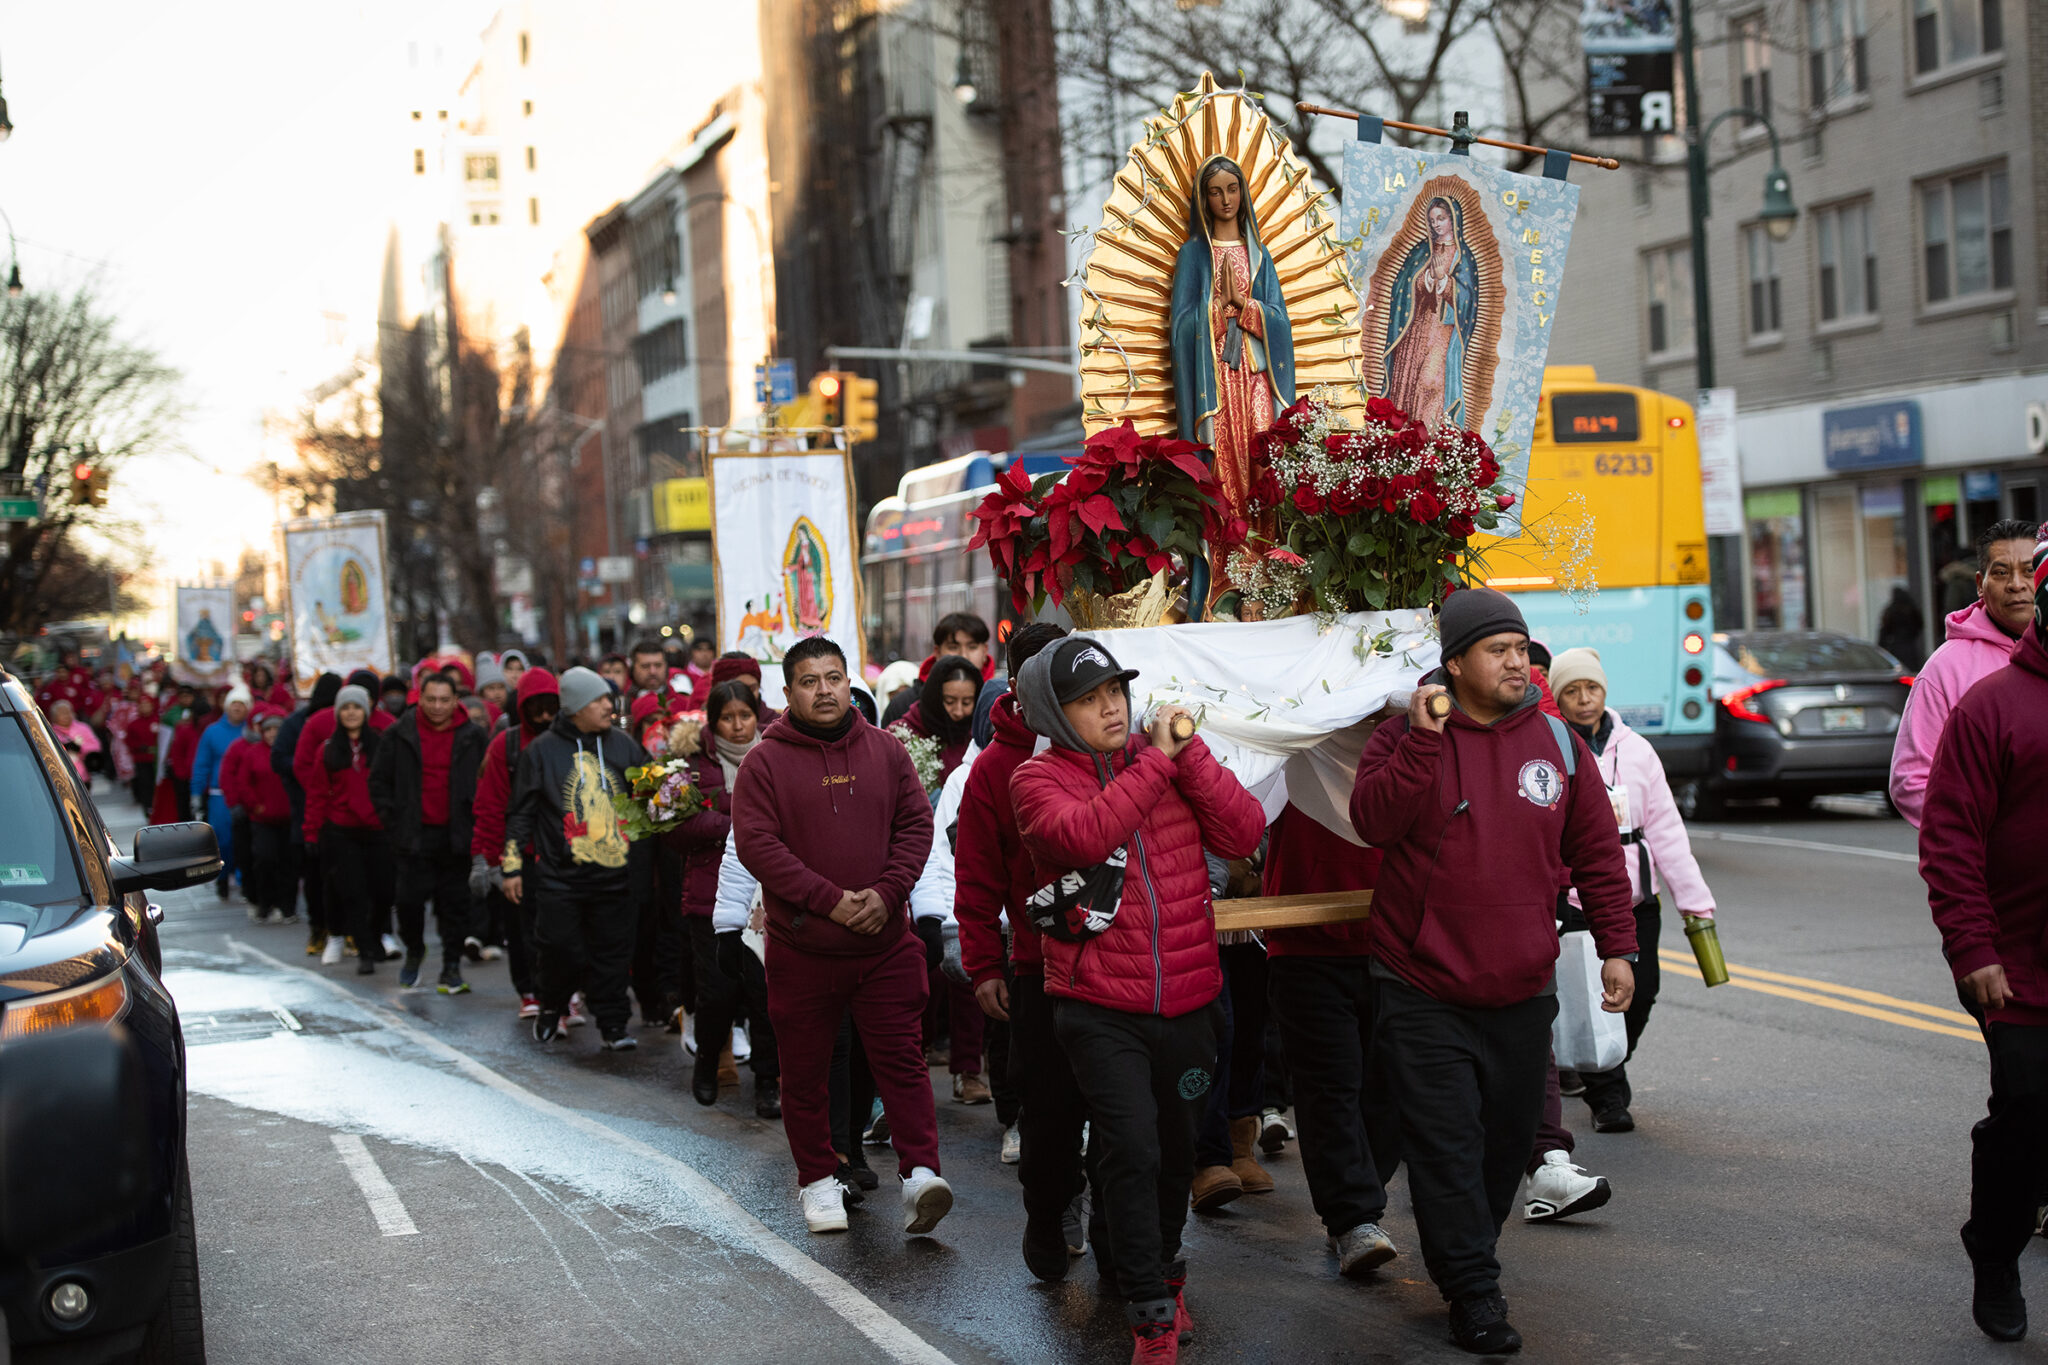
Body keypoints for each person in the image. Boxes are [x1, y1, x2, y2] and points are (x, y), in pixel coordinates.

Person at [1350, 587, 1636, 1355]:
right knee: (1445, 1145)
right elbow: (1372, 821)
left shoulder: (1557, 740)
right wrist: (1418, 740)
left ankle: (1464, 1250)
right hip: (1419, 985)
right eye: (1498, 651)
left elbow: (1599, 854)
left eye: (1521, 647)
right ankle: (1473, 1287)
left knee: (1508, 1143)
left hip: (1518, 987)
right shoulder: (1403, 737)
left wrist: (1618, 944)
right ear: (1455, 664)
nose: (1518, 663)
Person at [1011, 635, 1265, 1362]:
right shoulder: (1038, 778)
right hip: (1097, 1004)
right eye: (1089, 699)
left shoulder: (1165, 761)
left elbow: (1245, 831)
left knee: (1176, 1152)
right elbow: (1086, 835)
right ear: (1055, 715)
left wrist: (1192, 756)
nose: (1111, 707)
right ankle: (1150, 1316)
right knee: (1131, 1145)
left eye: (1115, 691)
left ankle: (1166, 1271)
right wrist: (1158, 761)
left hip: (1189, 996)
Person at [730, 637, 948, 1237]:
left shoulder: (886, 750)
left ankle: (921, 1174)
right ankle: (819, 1183)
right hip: (804, 948)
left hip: (884, 944)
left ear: (850, 682)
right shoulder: (763, 764)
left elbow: (914, 826)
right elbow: (758, 846)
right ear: (787, 692)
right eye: (809, 680)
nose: (824, 690)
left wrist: (886, 894)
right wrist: (829, 902)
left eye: (834, 677)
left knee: (902, 1062)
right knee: (805, 1072)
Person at [1919, 537, 2048, 1342]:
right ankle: (1995, 1251)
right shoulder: (1991, 704)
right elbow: (1950, 839)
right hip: (2021, 967)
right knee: (2031, 1115)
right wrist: (1975, 950)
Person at [1548, 647, 1716, 1133]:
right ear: (1558, 698)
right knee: (1594, 998)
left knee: (1643, 994)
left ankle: (1604, 1063)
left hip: (1639, 899)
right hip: (1581, 901)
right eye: (1572, 691)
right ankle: (1608, 1097)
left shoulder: (1638, 750)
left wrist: (1695, 903)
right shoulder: (1554, 750)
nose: (1584, 700)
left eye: (1592, 689)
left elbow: (1666, 829)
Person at [504, 667, 649, 1049]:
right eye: (600, 700)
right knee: (560, 950)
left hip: (616, 877)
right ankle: (552, 1005)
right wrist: (512, 865)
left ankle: (614, 1025)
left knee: (613, 955)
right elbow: (521, 813)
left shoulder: (623, 745)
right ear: (576, 707)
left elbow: (651, 791)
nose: (609, 705)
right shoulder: (541, 751)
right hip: (560, 878)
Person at [1891, 520, 2038, 827]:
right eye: (2000, 572)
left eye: (2028, 570)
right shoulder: (1945, 669)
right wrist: (1978, 836)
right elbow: (1911, 780)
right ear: (1979, 584)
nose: (2016, 584)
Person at [686, 681, 779, 1117]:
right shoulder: (693, 766)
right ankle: (707, 1061)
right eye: (728, 717)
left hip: (766, 896)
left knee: (764, 993)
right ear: (714, 721)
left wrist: (727, 817)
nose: (738, 725)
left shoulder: (775, 755)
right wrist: (737, 825)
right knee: (718, 991)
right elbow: (679, 827)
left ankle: (767, 1080)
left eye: (745, 715)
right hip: (710, 894)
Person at [370, 672, 487, 993]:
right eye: (431, 699)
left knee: (455, 904)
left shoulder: (474, 736)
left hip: (457, 832)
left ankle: (451, 966)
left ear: (456, 701)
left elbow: (487, 782)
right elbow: (379, 782)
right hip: (412, 833)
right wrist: (393, 822)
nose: (437, 707)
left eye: (444, 700)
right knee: (408, 902)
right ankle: (414, 951)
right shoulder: (398, 734)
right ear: (419, 699)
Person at [471, 666, 560, 1018]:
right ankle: (529, 990)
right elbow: (490, 807)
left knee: (562, 926)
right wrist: (493, 861)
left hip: (564, 848)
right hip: (519, 852)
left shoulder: (568, 740)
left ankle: (563, 990)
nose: (543, 717)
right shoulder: (504, 746)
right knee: (522, 926)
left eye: (549, 708)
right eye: (534, 709)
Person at [311, 685, 388, 975]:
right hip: (342, 830)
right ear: (338, 713)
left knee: (383, 889)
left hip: (378, 828)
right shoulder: (329, 750)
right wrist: (312, 831)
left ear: (366, 711)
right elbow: (317, 792)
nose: (352, 712)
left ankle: (378, 934)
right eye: (345, 708)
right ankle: (365, 950)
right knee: (353, 892)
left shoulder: (381, 744)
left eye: (357, 707)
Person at [277, 673, 342, 959]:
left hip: (342, 813)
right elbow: (280, 758)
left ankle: (343, 929)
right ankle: (319, 928)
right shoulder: (297, 724)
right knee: (315, 874)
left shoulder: (349, 720)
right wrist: (316, 772)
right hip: (307, 809)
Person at [224, 712, 296, 924]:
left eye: (277, 729)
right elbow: (243, 782)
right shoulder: (252, 753)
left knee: (289, 864)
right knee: (264, 860)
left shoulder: (290, 751)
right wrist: (255, 806)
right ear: (262, 732)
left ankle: (288, 906)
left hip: (288, 817)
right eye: (269, 729)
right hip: (262, 819)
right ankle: (266, 903)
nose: (273, 733)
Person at [193, 686, 254, 902]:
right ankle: (222, 877)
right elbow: (202, 763)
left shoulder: (252, 732)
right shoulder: (212, 731)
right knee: (223, 840)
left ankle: (243, 878)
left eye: (242, 704)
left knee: (245, 839)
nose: (237, 708)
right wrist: (196, 792)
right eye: (234, 704)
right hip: (219, 795)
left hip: (246, 794)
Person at [882, 613, 996, 726]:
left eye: (972, 647)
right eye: (953, 647)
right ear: (937, 652)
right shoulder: (904, 704)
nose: (963, 655)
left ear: (985, 651)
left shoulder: (999, 701)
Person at [898, 654, 981, 785]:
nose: (958, 711)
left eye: (966, 703)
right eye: (949, 701)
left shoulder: (978, 737)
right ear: (935, 697)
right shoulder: (902, 735)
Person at [45, 699, 102, 785]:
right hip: (62, 777)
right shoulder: (49, 733)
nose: (66, 715)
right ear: (53, 717)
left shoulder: (83, 727)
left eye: (68, 712)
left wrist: (79, 747)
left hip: (83, 776)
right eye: (61, 713)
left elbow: (96, 746)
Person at [123, 692, 161, 812]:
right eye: (142, 705)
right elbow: (129, 741)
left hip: (156, 759)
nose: (145, 707)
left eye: (147, 705)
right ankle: (147, 806)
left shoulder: (158, 720)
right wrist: (139, 746)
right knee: (145, 783)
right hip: (142, 759)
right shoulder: (133, 724)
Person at [1878, 584, 1928, 670]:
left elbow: (1884, 630)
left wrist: (1881, 646)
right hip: (1910, 645)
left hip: (1896, 645)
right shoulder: (1911, 609)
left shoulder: (1890, 610)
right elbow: (1920, 624)